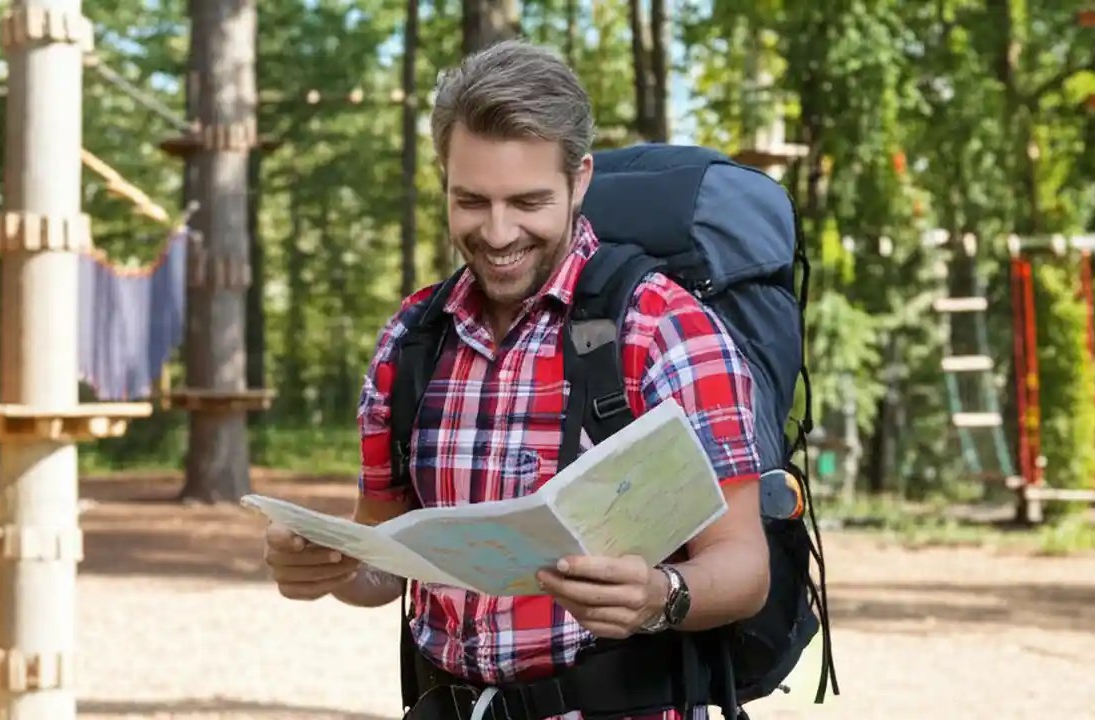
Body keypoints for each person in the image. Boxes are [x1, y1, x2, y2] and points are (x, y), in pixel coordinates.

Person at [262, 39, 772, 720]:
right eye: (471, 201)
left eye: (528, 201)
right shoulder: (411, 340)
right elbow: (386, 561)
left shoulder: (664, 330)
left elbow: (744, 565)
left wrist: (662, 593)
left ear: (580, 180)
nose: (498, 233)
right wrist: (332, 569)